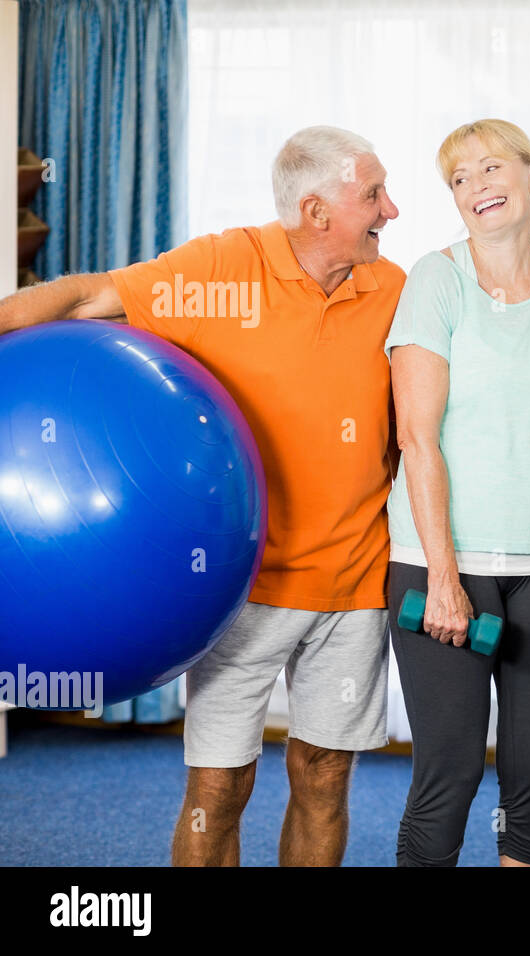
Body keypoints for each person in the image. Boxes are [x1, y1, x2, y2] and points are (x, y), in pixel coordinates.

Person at [0, 125, 404, 866]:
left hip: (353, 586)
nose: (393, 210)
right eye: (374, 195)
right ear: (316, 211)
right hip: (231, 592)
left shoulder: (395, 291)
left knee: (325, 778)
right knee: (218, 790)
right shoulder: (221, 268)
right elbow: (87, 297)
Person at [385, 118, 530, 867]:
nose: (478, 186)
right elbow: (418, 440)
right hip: (438, 565)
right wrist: (446, 578)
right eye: (460, 178)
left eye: (492, 168)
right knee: (448, 776)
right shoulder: (436, 279)